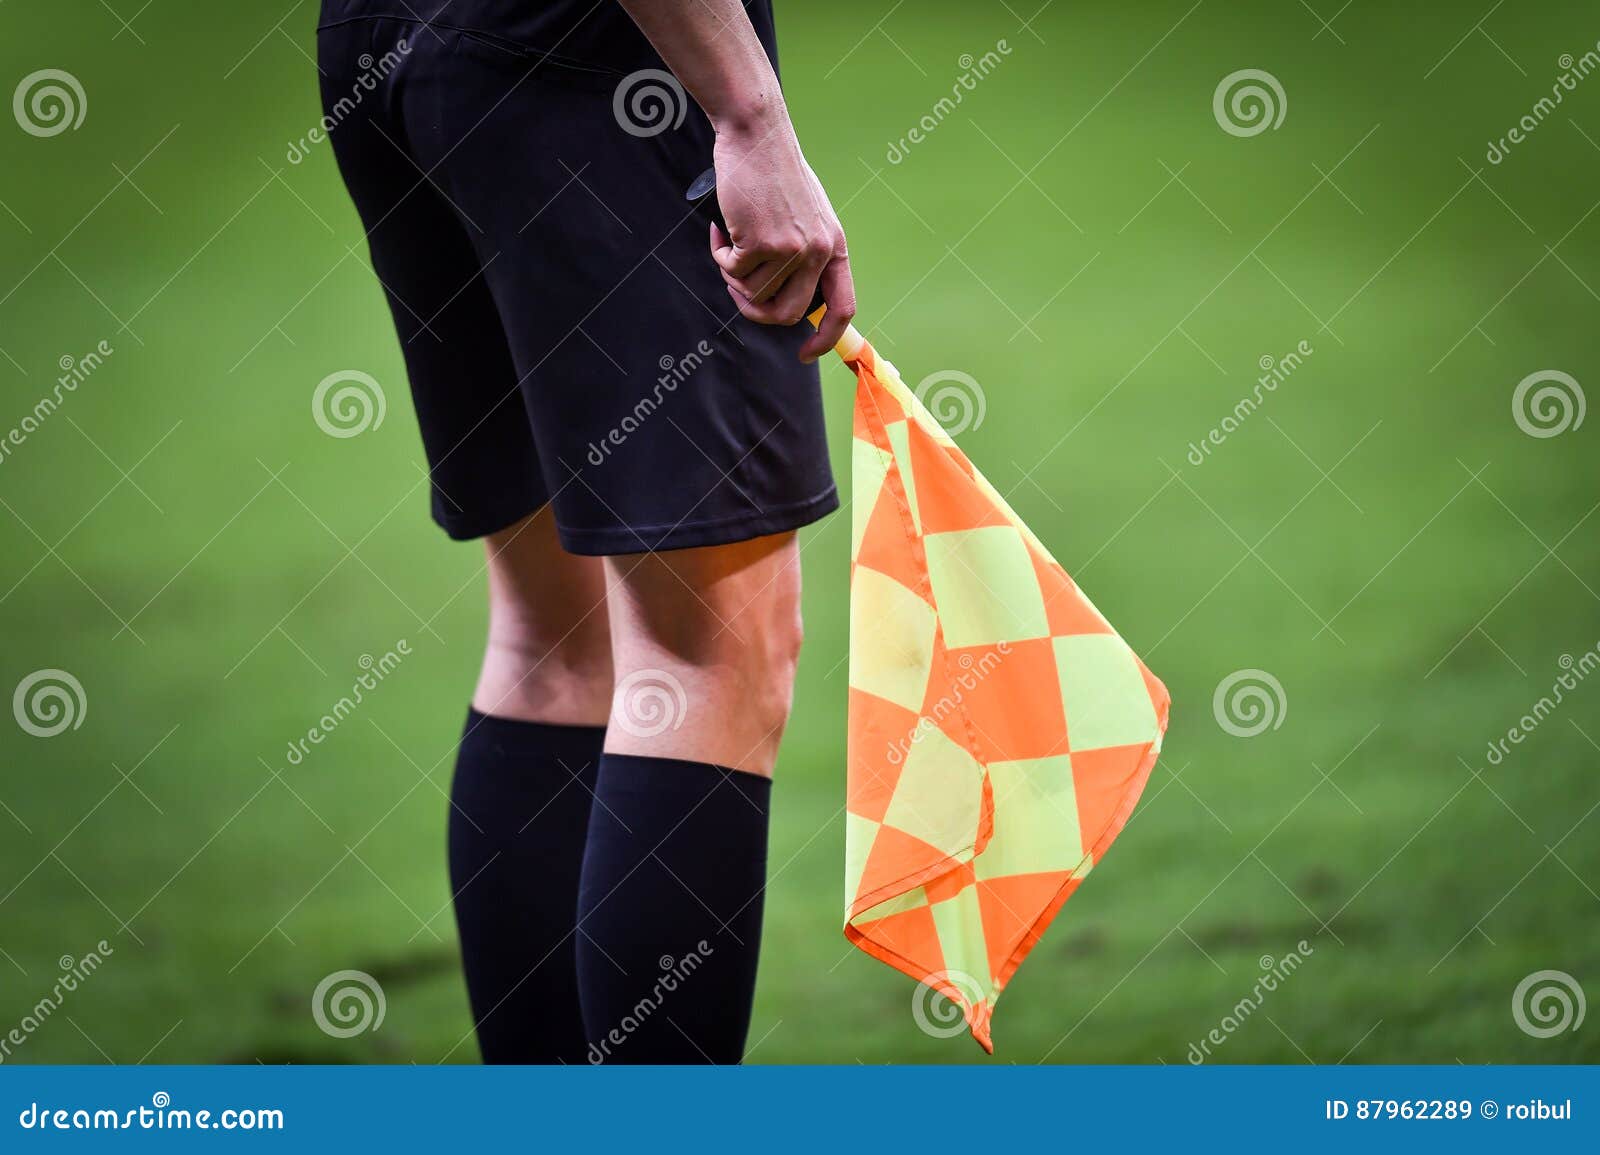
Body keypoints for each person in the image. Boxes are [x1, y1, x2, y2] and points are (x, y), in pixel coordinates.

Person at [315, 0, 854, 1063]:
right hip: (593, 60)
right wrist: (748, 113)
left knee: (557, 646)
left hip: (388, 43)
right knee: (711, 652)